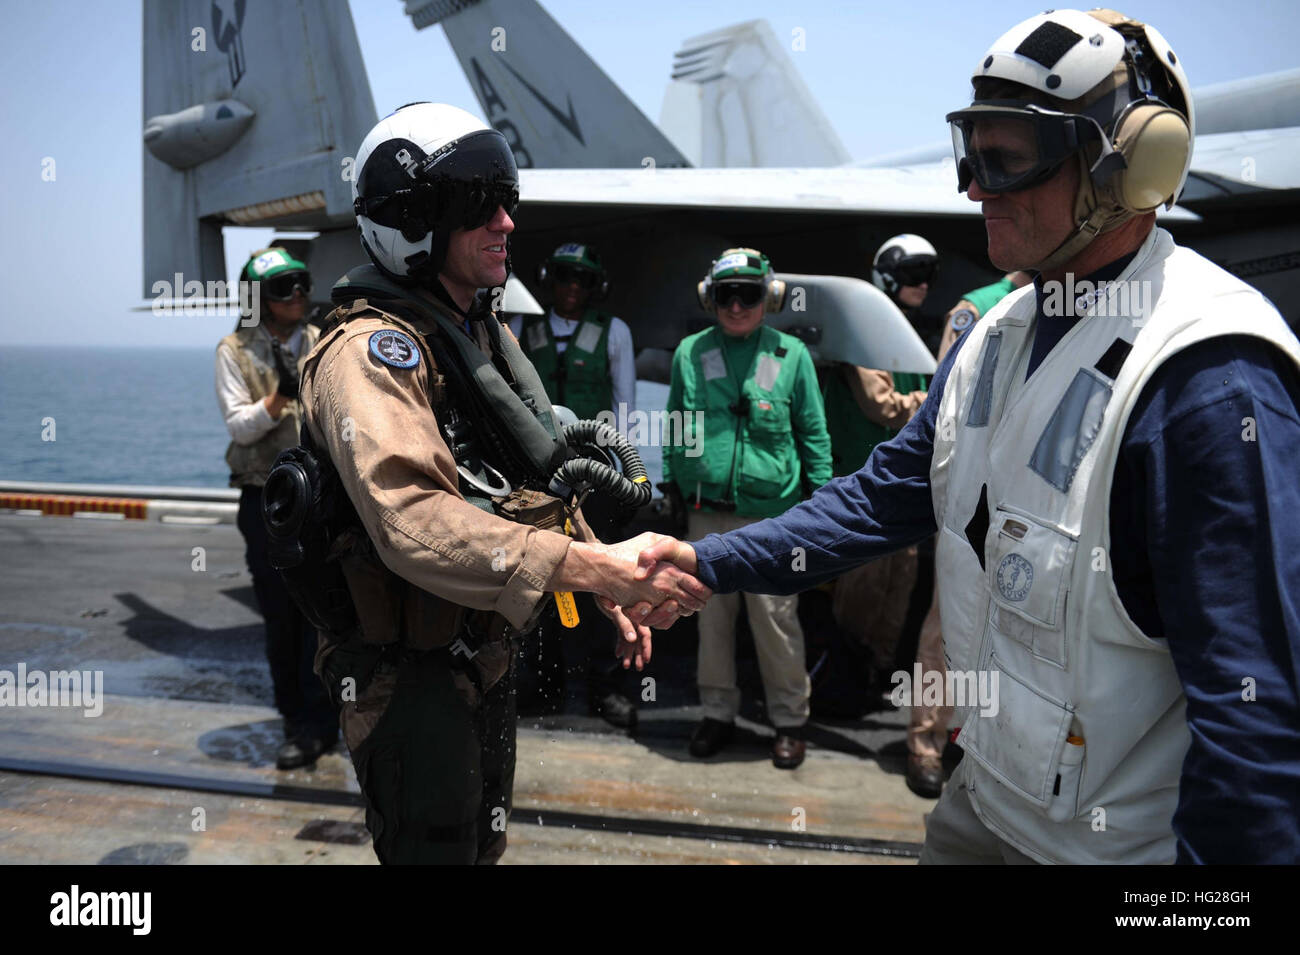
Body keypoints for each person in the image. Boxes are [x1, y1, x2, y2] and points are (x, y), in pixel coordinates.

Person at [636, 9, 1300, 863]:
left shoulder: (1206, 381)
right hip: (983, 803)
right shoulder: (997, 336)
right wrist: (704, 562)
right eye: (971, 152)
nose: (973, 186)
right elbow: (880, 500)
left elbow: (1255, 728)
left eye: (1009, 157)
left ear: (1131, 165)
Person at [292, 102, 706, 864]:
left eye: (507, 201)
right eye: (481, 205)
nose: (507, 222)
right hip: (407, 674)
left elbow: (529, 476)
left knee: (483, 845)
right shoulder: (371, 354)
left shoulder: (475, 330)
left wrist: (604, 583)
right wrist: (591, 567)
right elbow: (410, 518)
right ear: (417, 219)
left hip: (479, 652)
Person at [662, 248, 832, 769]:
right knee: (709, 618)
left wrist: (823, 508)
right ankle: (717, 712)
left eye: (748, 295)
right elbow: (675, 425)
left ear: (769, 298)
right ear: (710, 298)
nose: (736, 306)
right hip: (705, 512)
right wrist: (672, 484)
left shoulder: (791, 356)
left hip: (772, 518)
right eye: (725, 295)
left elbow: (814, 434)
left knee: (775, 619)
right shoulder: (689, 352)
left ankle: (788, 720)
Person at [905, 269, 1032, 798]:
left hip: (1032, 504)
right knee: (946, 624)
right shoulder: (979, 310)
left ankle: (977, 741)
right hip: (972, 501)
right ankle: (926, 742)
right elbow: (946, 411)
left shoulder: (1076, 301)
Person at [214, 247, 338, 770]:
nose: (298, 296)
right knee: (281, 615)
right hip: (266, 498)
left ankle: (327, 718)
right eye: (284, 288)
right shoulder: (233, 350)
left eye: (301, 284)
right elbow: (239, 426)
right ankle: (297, 720)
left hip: (321, 496)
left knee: (328, 613)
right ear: (257, 299)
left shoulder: (323, 341)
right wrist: (279, 398)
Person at [509, 243, 640, 729]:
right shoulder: (524, 328)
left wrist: (626, 478)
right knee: (540, 580)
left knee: (603, 579)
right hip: (539, 482)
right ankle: (544, 685)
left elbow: (625, 407)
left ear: (594, 287)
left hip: (596, 480)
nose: (570, 288)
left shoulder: (614, 333)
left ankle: (606, 688)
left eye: (580, 280)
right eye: (563, 277)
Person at [823, 236, 936, 755]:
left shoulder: (903, 332)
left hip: (905, 487)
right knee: (862, 595)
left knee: (899, 588)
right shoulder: (868, 330)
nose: (922, 283)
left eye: (926, 274)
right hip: (865, 486)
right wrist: (937, 400)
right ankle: (841, 683)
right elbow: (882, 405)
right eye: (912, 273)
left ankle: (871, 679)